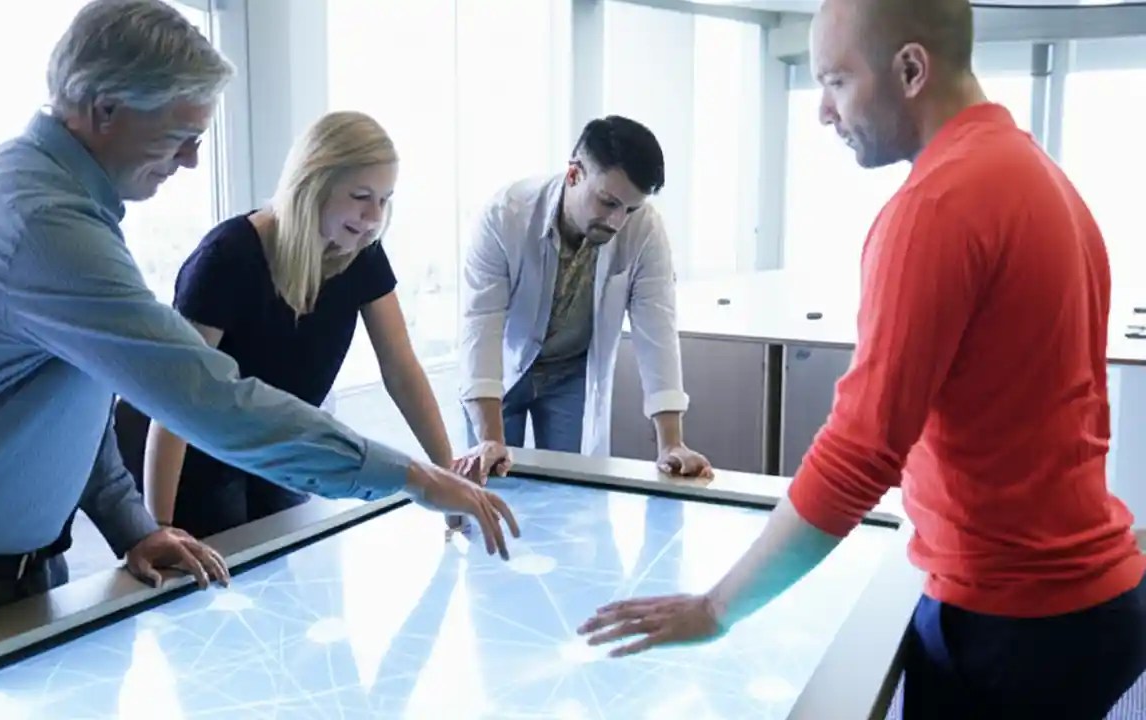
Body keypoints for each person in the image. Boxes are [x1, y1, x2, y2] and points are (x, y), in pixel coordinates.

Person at [0, 0, 517, 651]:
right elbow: (209, 399)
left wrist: (132, 526)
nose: (191, 162)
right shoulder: (40, 221)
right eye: (181, 136)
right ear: (105, 110)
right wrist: (414, 477)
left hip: (20, 570)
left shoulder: (60, 202)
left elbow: (72, 396)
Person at [576, 0, 1146, 717]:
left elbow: (859, 453)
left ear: (910, 69)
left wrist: (715, 608)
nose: (822, 111)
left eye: (837, 81)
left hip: (1013, 618)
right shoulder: (1041, 178)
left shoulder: (938, 203)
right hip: (1083, 600)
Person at [142, 110, 507, 539]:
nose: (373, 216)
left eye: (384, 200)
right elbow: (174, 401)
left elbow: (401, 368)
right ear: (315, 184)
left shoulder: (362, 254)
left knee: (284, 573)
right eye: (360, 196)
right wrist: (158, 527)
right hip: (204, 456)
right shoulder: (226, 259)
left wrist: (449, 480)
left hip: (286, 451)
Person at [459, 116, 712, 477]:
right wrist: (489, 439)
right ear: (575, 174)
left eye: (630, 209)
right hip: (500, 367)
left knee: (571, 498)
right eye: (608, 202)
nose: (617, 222)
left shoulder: (645, 230)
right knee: (491, 480)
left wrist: (671, 442)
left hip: (571, 371)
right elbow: (480, 324)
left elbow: (657, 331)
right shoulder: (505, 216)